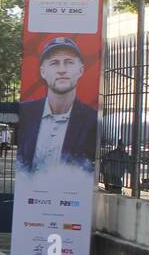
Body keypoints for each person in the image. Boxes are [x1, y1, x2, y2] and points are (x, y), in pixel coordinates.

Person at [16, 36, 98, 174]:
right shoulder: (25, 113)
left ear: (81, 70)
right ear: (43, 72)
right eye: (54, 63)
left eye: (69, 62)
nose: (62, 70)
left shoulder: (92, 120)